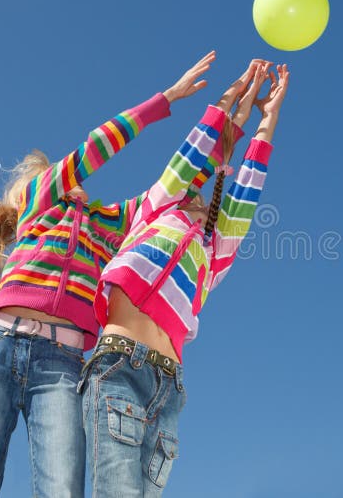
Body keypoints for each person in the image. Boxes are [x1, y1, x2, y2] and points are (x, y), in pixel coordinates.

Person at [0, 51, 218, 498]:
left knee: (63, 489)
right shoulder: (39, 202)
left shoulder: (112, 224)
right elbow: (93, 150)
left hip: (63, 364)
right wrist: (165, 99)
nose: (66, 175)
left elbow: (170, 188)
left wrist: (225, 124)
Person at [79, 61, 289, 496]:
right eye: (193, 186)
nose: (198, 192)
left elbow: (247, 188)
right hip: (119, 367)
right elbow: (201, 148)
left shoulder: (215, 255)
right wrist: (237, 97)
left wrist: (269, 120)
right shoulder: (155, 210)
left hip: (170, 389)